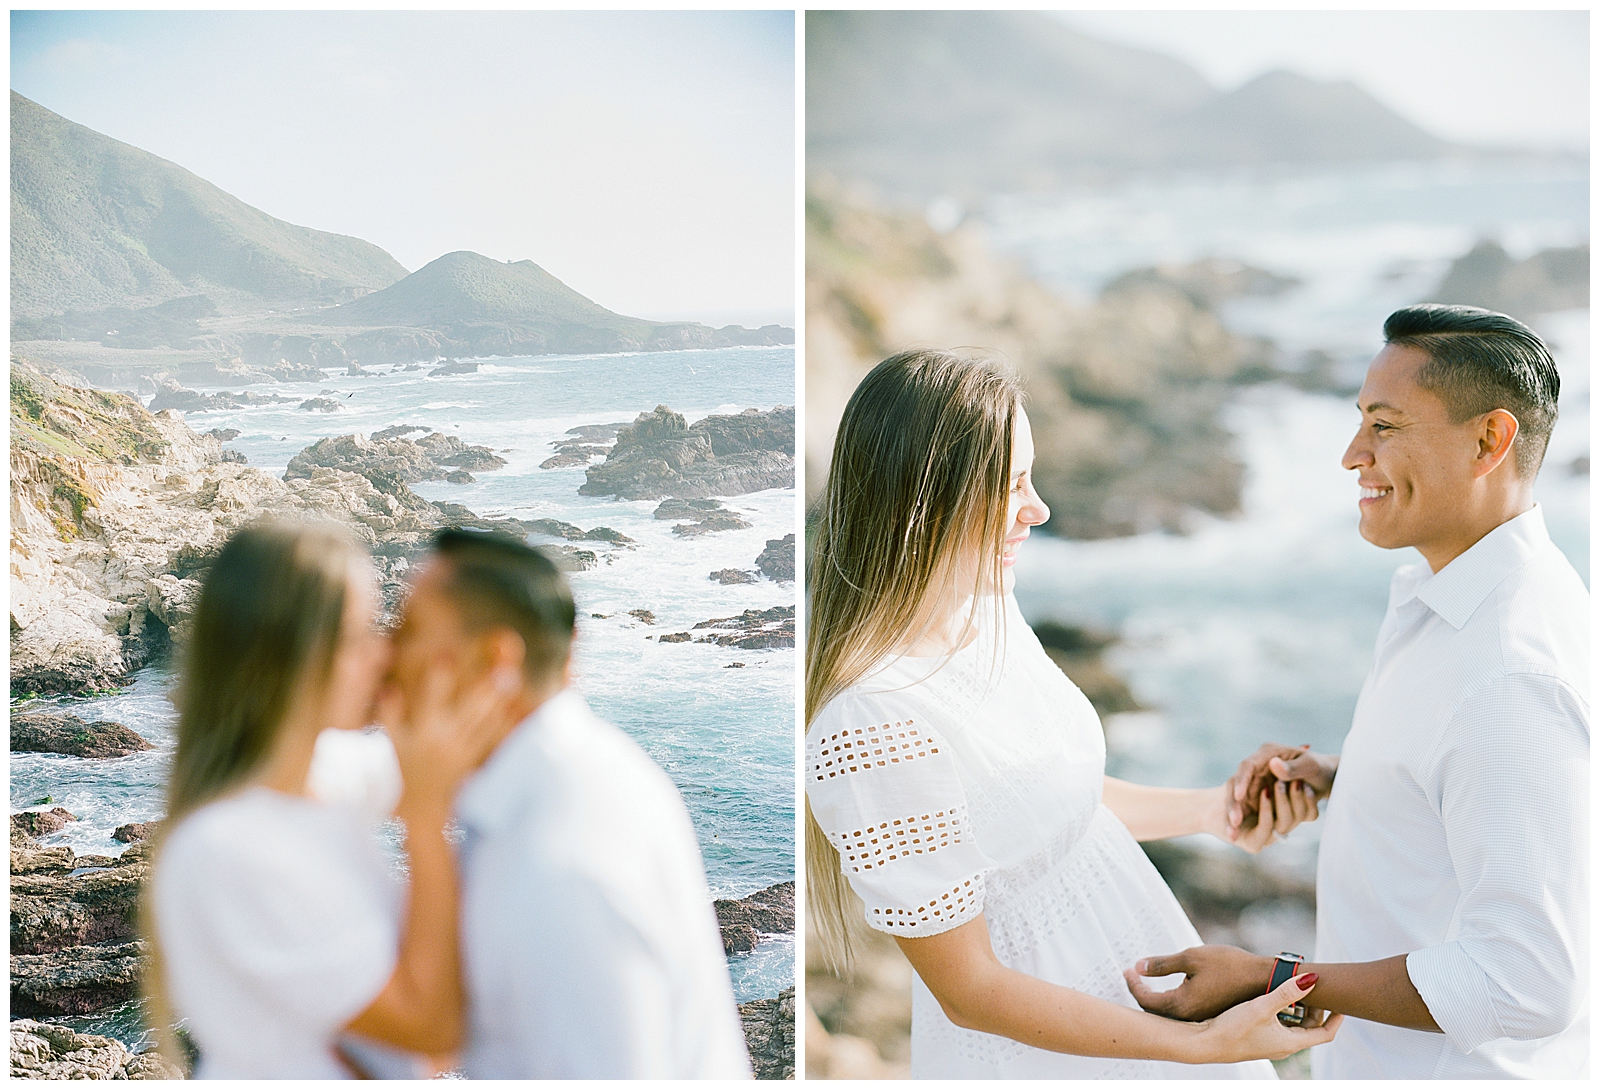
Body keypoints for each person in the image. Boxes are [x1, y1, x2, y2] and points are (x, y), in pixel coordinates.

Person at [804, 349, 1340, 1078]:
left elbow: (1049, 806)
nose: (1039, 509)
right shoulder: (871, 725)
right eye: (1012, 484)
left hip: (1136, 1001)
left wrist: (1214, 810)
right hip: (1053, 1055)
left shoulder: (985, 611)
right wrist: (1200, 1046)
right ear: (926, 499)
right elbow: (970, 992)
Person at [1128, 305, 1590, 1078]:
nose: (1352, 455)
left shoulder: (1511, 672)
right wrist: (1350, 779)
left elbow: (1530, 982)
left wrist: (1272, 978)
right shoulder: (1459, 600)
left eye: (1384, 425)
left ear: (1489, 441)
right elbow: (1490, 783)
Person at [385, 527, 753, 1078]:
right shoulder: (593, 767)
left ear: (494, 659)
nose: (386, 655)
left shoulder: (555, 866)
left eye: (406, 630)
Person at [146, 520, 503, 1079]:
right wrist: (425, 824)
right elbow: (431, 1030)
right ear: (288, 662)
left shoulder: (321, 774)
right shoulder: (230, 849)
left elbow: (445, 758)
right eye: (359, 637)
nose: (382, 657)